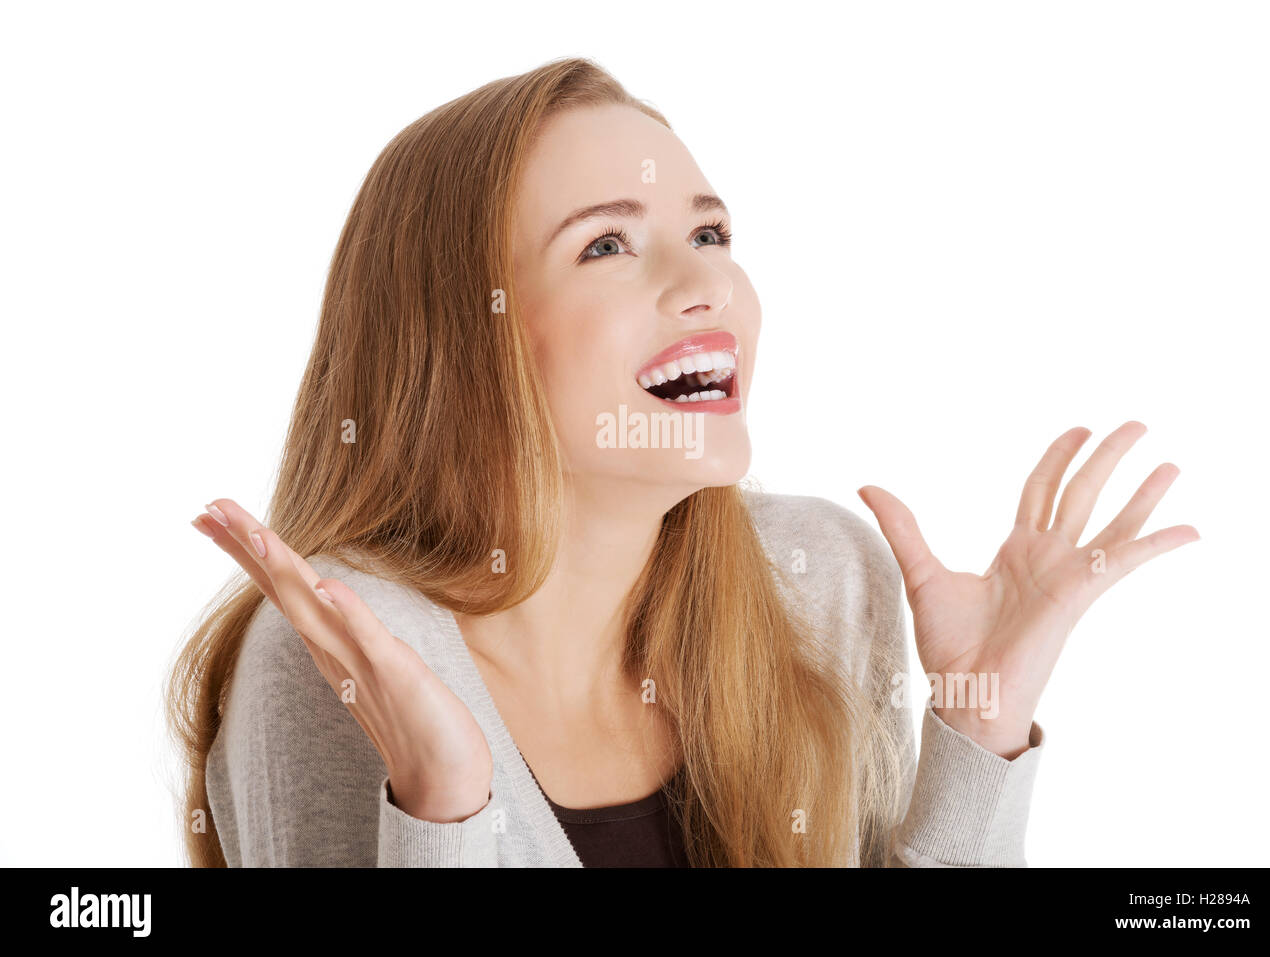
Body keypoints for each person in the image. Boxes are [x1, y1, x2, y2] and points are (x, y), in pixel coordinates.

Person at [167, 56, 1197, 868]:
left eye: (710, 231)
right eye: (606, 246)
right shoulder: (349, 650)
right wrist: (445, 811)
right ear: (462, 338)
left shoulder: (819, 579)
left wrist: (979, 732)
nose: (705, 283)